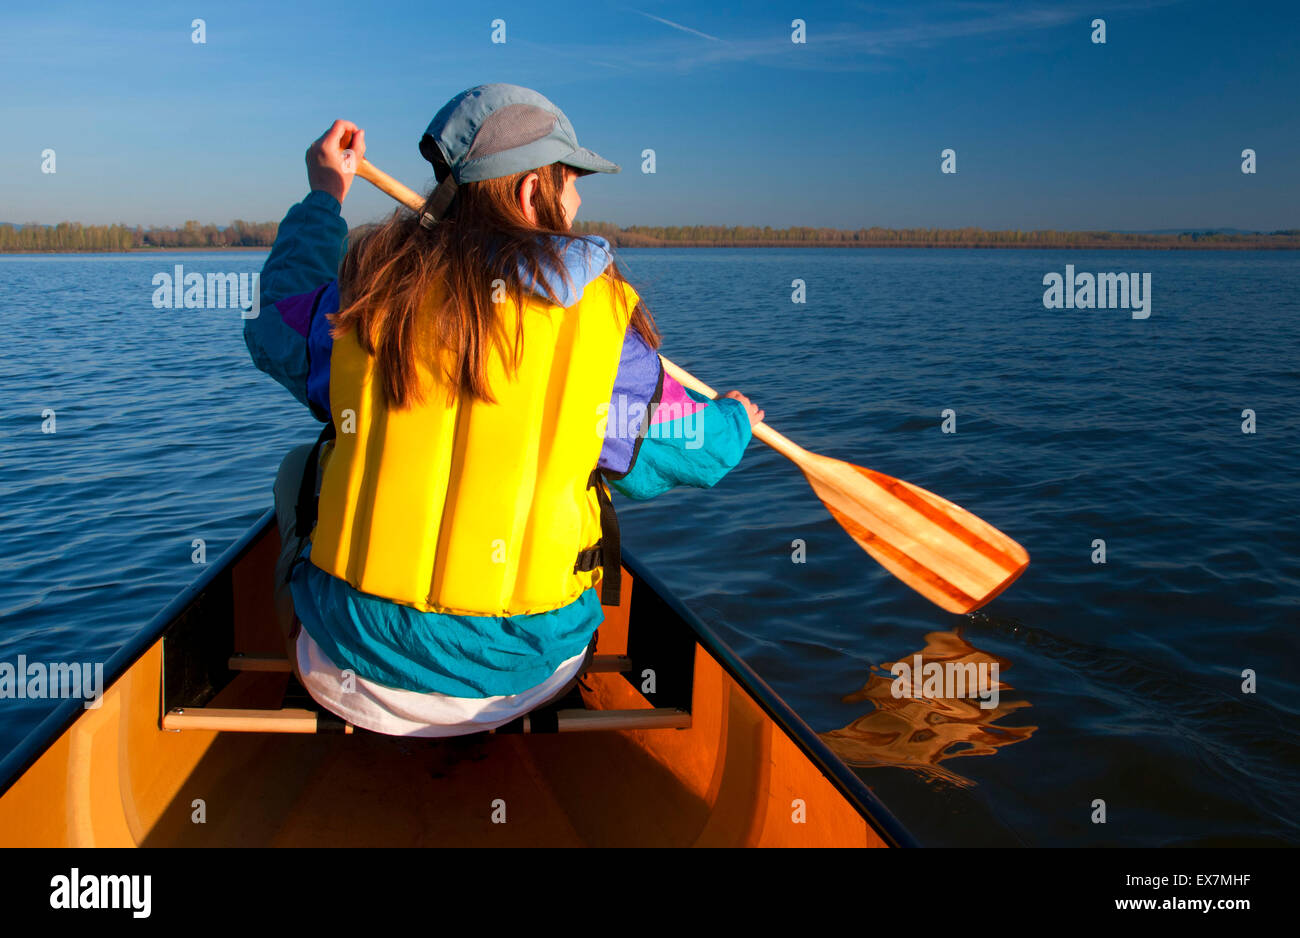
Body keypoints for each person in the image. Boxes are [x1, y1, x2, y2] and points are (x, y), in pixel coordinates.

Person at [245, 83, 763, 736]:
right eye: (572, 184)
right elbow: (693, 452)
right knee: (597, 480)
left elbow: (276, 324)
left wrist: (326, 195)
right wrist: (736, 420)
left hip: (347, 666)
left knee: (301, 468)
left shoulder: (365, 293)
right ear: (528, 192)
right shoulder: (597, 331)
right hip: (528, 675)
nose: (576, 204)